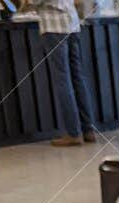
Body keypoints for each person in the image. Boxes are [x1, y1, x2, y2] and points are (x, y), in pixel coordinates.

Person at [34, 0, 98, 147]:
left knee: (62, 79)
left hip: (54, 25)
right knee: (78, 77)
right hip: (72, 23)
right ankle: (88, 130)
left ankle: (73, 133)